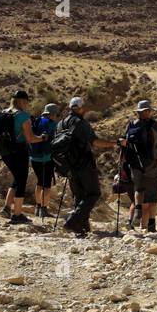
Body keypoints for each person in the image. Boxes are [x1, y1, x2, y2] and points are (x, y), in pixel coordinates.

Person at [55, 96, 119, 236]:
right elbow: (95, 142)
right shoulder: (81, 123)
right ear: (81, 108)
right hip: (83, 163)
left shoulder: (60, 124)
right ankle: (72, 221)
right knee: (93, 193)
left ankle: (82, 228)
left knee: (79, 195)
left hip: (68, 165)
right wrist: (115, 143)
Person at [118, 100, 157, 233]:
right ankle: (151, 225)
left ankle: (138, 210)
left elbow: (124, 145)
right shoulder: (155, 125)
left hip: (134, 164)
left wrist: (121, 163)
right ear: (148, 111)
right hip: (151, 164)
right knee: (153, 196)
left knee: (139, 189)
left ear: (138, 112)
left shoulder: (131, 125)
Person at [1, 90, 46, 225]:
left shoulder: (4, 112)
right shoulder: (23, 116)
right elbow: (30, 138)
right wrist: (43, 138)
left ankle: (6, 207)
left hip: (5, 152)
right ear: (21, 101)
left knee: (17, 177)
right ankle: (17, 215)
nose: (27, 104)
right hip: (19, 152)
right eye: (26, 101)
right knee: (21, 181)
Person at [30, 103, 59, 219]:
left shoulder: (36, 121)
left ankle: (37, 207)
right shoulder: (53, 125)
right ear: (53, 114)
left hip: (34, 158)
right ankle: (43, 209)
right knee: (46, 184)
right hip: (46, 158)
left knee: (39, 182)